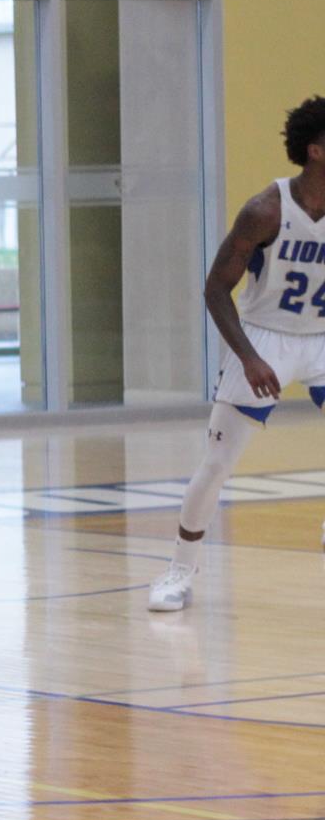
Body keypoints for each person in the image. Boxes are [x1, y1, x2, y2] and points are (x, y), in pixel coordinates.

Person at [150, 97, 325, 612]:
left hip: (321, 335)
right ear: (315, 151)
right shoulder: (266, 211)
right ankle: (179, 570)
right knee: (219, 462)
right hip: (264, 336)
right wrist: (247, 357)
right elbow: (214, 289)